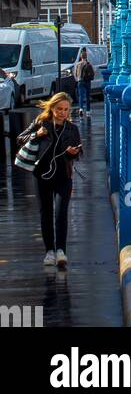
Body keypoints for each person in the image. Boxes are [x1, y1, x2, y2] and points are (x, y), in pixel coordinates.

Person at [16, 92, 83, 269]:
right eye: (59, 109)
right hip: (42, 175)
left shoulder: (72, 129)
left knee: (61, 213)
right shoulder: (41, 123)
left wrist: (73, 153)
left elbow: (79, 151)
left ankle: (61, 250)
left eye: (66, 110)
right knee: (46, 213)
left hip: (63, 176)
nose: (63, 113)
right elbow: (19, 138)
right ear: (52, 108)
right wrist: (36, 135)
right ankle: (49, 251)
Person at [73, 47, 94, 117]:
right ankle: (88, 110)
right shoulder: (89, 64)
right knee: (88, 96)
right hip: (87, 81)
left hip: (80, 81)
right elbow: (92, 73)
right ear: (86, 56)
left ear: (81, 57)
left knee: (81, 96)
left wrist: (77, 79)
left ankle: (81, 109)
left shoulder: (78, 64)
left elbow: (75, 73)